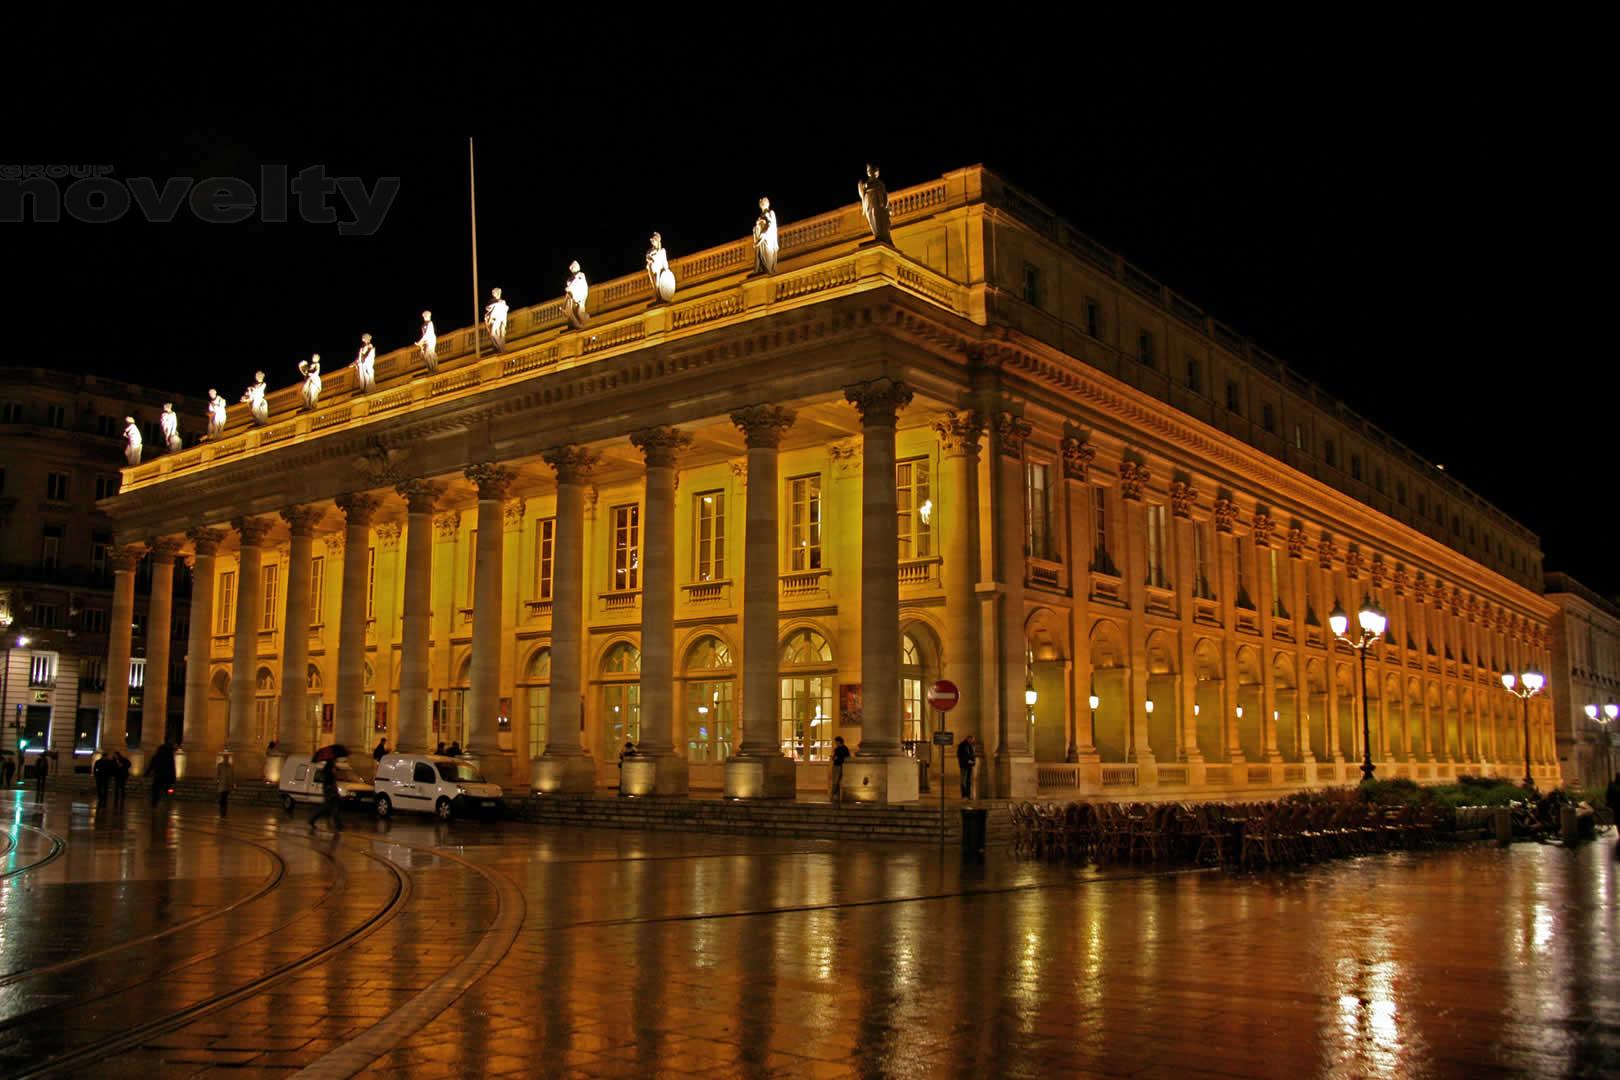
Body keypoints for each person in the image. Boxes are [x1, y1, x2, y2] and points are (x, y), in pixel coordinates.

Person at [309, 758, 343, 832]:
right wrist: (331, 792)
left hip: (332, 792)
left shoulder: (331, 770)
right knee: (331, 809)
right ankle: (338, 826)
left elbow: (333, 782)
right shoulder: (328, 771)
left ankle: (312, 819)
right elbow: (328, 783)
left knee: (329, 808)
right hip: (330, 793)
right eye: (334, 760)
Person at [147, 743, 177, 807]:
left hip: (159, 775)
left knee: (156, 789)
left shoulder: (157, 756)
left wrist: (147, 772)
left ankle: (155, 801)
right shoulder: (169, 757)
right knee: (165, 789)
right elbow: (172, 768)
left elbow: (152, 765)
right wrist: (173, 778)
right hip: (166, 777)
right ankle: (163, 800)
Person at [830, 736, 850, 803]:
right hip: (844, 766)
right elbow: (848, 757)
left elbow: (836, 758)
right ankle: (838, 797)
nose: (836, 743)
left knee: (835, 782)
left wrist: (833, 758)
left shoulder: (837, 749)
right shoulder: (846, 748)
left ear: (839, 742)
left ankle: (834, 796)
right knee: (839, 782)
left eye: (836, 742)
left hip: (837, 766)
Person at [957, 734, 977, 800]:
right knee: (964, 781)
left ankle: (969, 795)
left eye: (973, 740)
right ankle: (964, 795)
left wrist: (973, 762)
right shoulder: (961, 745)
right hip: (964, 766)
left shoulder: (971, 746)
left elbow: (973, 755)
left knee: (969, 781)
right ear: (968, 739)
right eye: (972, 740)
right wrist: (967, 760)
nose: (972, 741)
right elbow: (960, 756)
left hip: (969, 766)